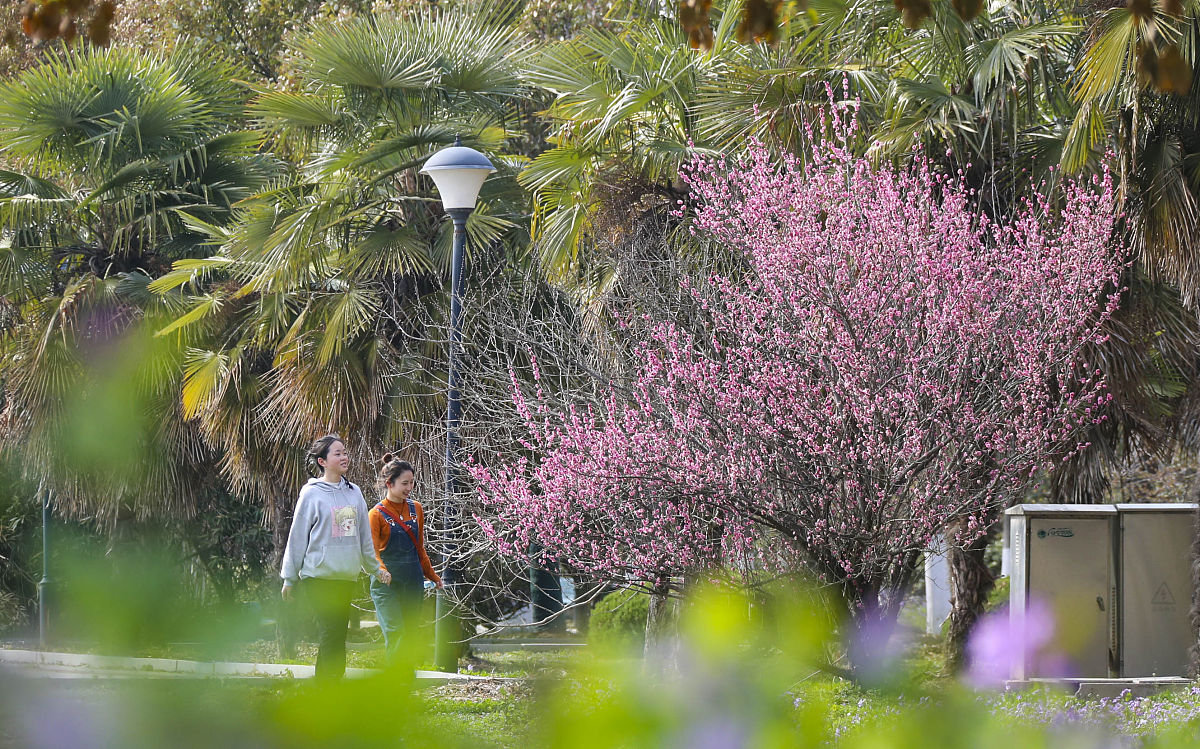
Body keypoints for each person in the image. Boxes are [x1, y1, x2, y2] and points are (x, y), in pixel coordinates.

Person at [280, 434, 391, 679]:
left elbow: (363, 538)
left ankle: (331, 691)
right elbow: (297, 536)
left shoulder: (354, 493)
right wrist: (289, 578)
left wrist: (376, 569)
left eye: (344, 452)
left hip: (345, 577)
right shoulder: (311, 494)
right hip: (317, 576)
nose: (344, 457)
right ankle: (325, 689)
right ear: (322, 461)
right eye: (337, 453)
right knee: (331, 631)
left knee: (338, 634)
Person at [368, 454, 443, 661]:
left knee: (410, 633)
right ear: (389, 484)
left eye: (411, 482)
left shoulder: (416, 508)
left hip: (413, 581)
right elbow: (372, 552)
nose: (409, 488)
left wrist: (432, 575)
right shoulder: (376, 514)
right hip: (387, 584)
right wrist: (381, 570)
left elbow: (419, 548)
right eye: (404, 483)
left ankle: (406, 681)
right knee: (395, 631)